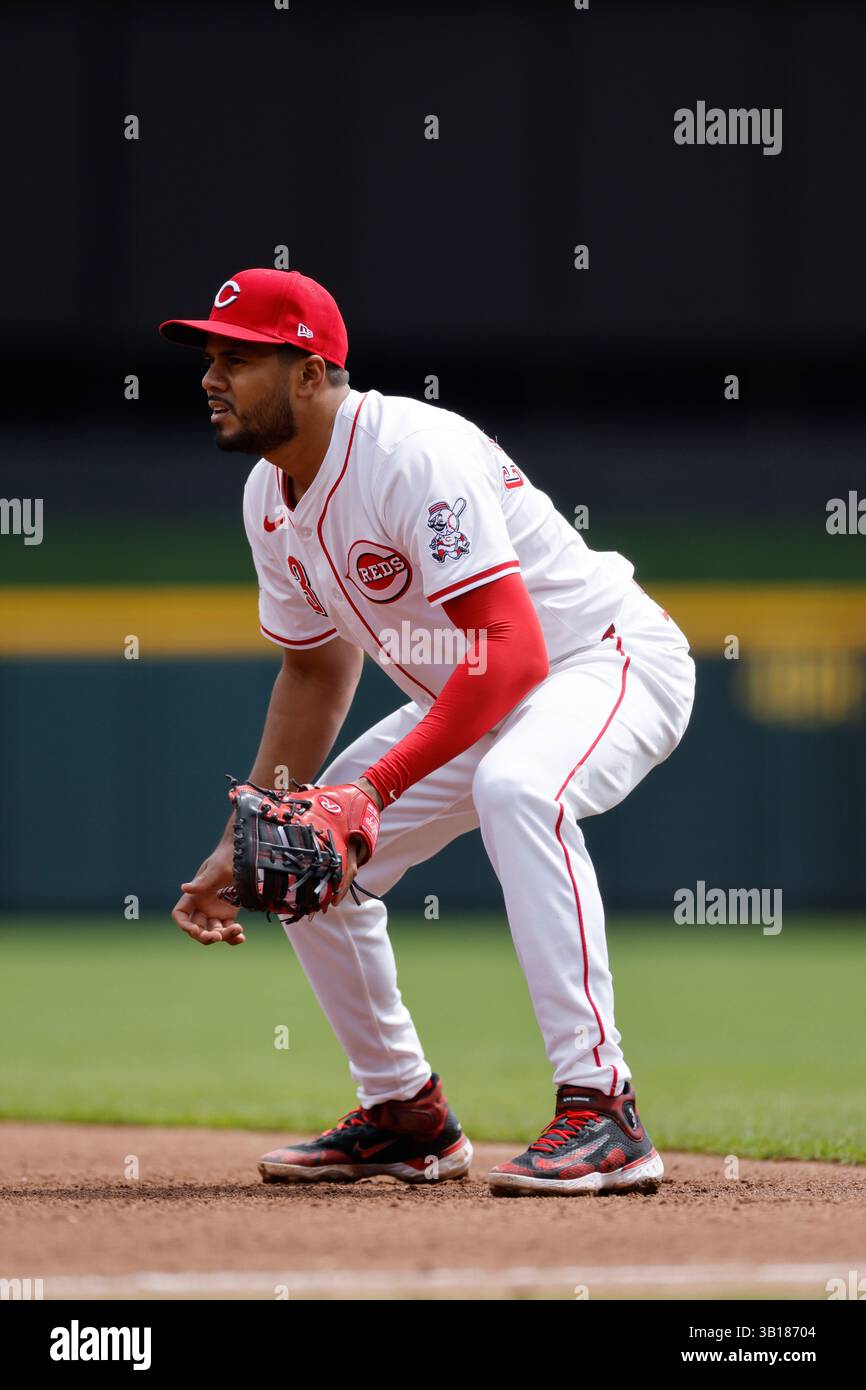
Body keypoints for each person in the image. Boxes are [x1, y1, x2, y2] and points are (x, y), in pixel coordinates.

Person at [161, 268, 695, 1196]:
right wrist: (243, 830)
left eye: (238, 357)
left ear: (311, 372)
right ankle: (406, 1113)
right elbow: (316, 668)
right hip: (476, 695)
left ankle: (603, 1109)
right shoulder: (267, 496)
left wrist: (366, 792)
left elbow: (516, 651)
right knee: (292, 844)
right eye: (211, 356)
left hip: (601, 661)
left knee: (520, 788)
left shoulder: (411, 453)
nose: (213, 376)